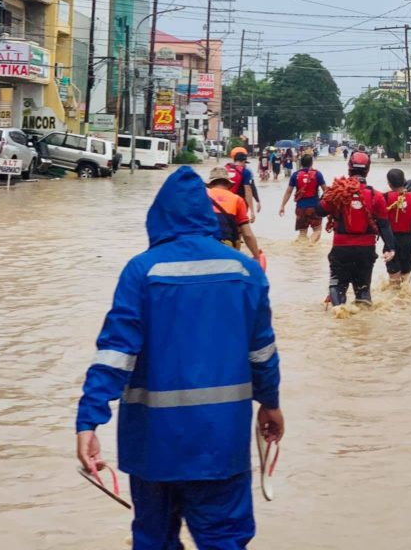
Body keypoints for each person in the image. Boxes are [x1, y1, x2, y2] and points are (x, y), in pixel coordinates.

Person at [75, 167, 283, 550]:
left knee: (154, 540)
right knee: (224, 540)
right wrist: (269, 404)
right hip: (222, 446)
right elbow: (263, 354)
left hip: (152, 448)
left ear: (159, 216)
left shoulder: (141, 271)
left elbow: (115, 354)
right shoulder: (246, 272)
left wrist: (88, 420)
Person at [318, 151, 397, 306]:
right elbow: (383, 225)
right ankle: (363, 324)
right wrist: (390, 248)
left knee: (337, 286)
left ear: (349, 168)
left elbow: (319, 211)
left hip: (341, 249)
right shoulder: (377, 196)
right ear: (368, 170)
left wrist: (329, 192)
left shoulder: (338, 193)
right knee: (363, 290)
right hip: (366, 250)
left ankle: (339, 315)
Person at [207, 166, 261, 259]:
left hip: (204, 249)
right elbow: (247, 234)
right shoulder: (237, 200)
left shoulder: (200, 197)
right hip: (228, 252)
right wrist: (256, 256)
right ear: (228, 184)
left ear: (210, 184)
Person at [383, 168, 411, 286]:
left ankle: (396, 302)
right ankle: (405, 299)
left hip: (391, 242)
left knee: (393, 278)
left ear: (389, 183)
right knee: (405, 276)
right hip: (409, 242)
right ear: (404, 181)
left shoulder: (385, 198)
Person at [279, 152, 326, 241]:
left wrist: (282, 206)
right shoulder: (317, 174)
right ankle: (310, 245)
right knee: (317, 230)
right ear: (312, 163)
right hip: (314, 208)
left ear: (301, 163)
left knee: (302, 233)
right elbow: (326, 191)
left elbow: (288, 192)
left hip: (300, 208)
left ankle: (302, 251)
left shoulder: (295, 175)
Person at [227, 146, 256, 221]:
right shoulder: (246, 172)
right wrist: (252, 211)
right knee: (241, 228)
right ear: (243, 161)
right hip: (239, 204)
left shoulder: (225, 169)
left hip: (225, 203)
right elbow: (248, 192)